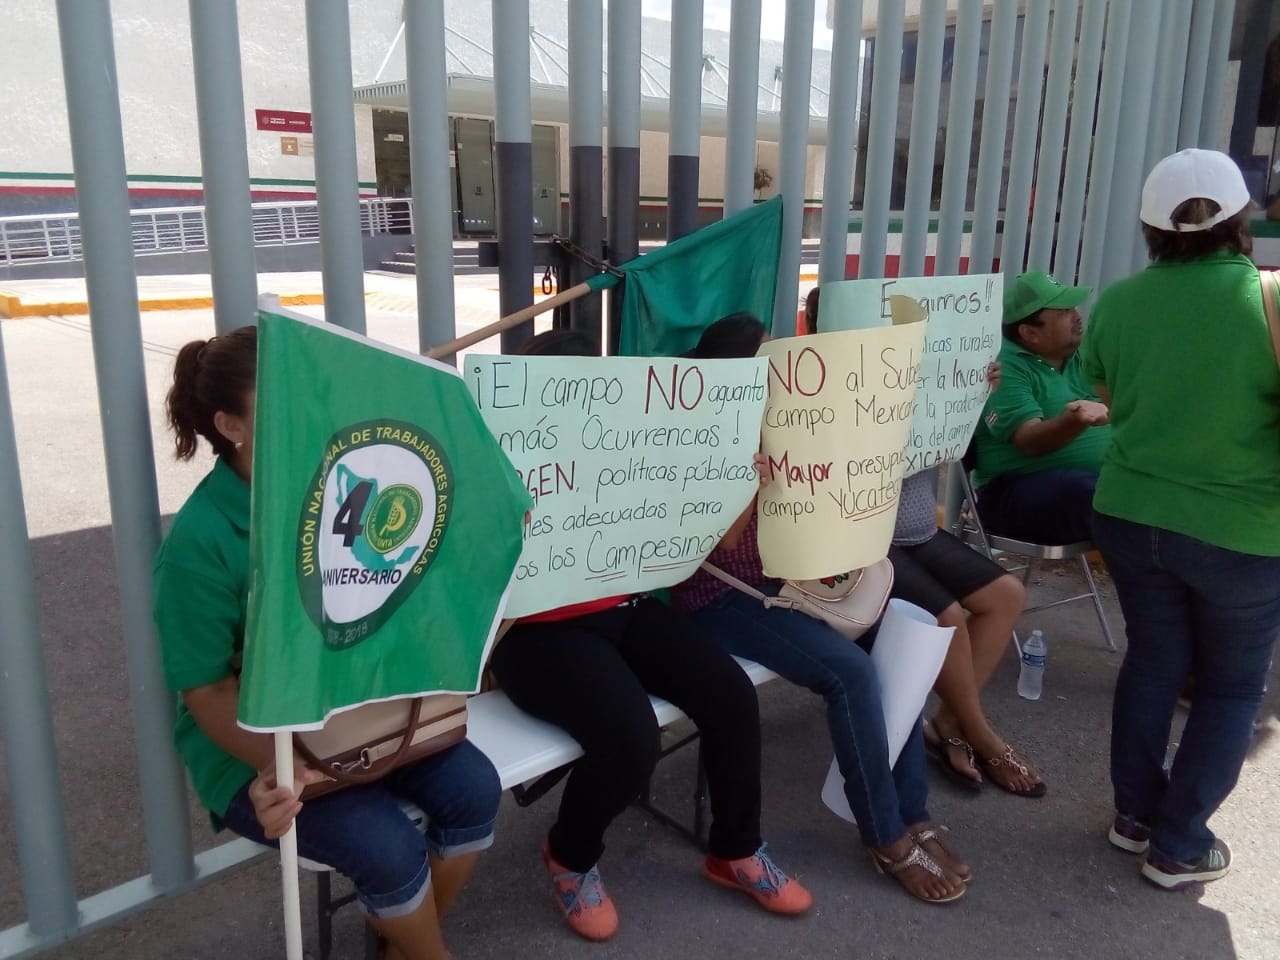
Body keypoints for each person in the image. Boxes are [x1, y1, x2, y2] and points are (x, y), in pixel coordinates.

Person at [153, 326, 502, 960]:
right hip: (258, 745)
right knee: (389, 852)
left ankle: (405, 948)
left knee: (476, 792)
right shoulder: (200, 540)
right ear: (230, 426)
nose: (311, 415)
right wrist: (274, 765)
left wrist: (498, 526)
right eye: (284, 404)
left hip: (370, 709)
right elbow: (206, 688)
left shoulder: (350, 478)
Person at [486, 328, 811, 943]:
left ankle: (736, 849)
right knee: (630, 739)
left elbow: (699, 534)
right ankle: (570, 855)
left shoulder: (620, 442)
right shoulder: (496, 459)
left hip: (623, 606)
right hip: (535, 634)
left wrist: (738, 479)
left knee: (731, 696)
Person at [675, 313, 969, 905]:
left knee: (895, 650)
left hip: (788, 581)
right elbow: (717, 546)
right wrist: (750, 483)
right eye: (768, 360)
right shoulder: (700, 430)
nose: (782, 369)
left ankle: (912, 813)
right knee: (850, 673)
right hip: (723, 596)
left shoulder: (788, 420)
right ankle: (885, 834)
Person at [1077, 148, 1280, 890]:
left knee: (1153, 661)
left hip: (1130, 514)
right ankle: (1180, 844)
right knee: (1230, 688)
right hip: (1241, 529)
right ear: (1240, 218)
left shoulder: (1119, 302)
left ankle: (1134, 817)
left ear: (1150, 227)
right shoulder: (1269, 297)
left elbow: (1106, 394)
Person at [807, 286, 1038, 797]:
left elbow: (950, 443)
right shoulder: (816, 389)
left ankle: (951, 722)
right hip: (864, 541)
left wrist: (971, 394)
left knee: (1006, 595)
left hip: (916, 531)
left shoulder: (910, 372)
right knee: (946, 616)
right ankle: (978, 733)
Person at [970, 270, 1111, 545]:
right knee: (1095, 492)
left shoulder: (1084, 353)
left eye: (1074, 307)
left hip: (1085, 486)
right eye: (1064, 311)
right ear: (1030, 333)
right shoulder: (1003, 366)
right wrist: (1076, 419)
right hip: (1013, 492)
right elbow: (1030, 442)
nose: (1077, 316)